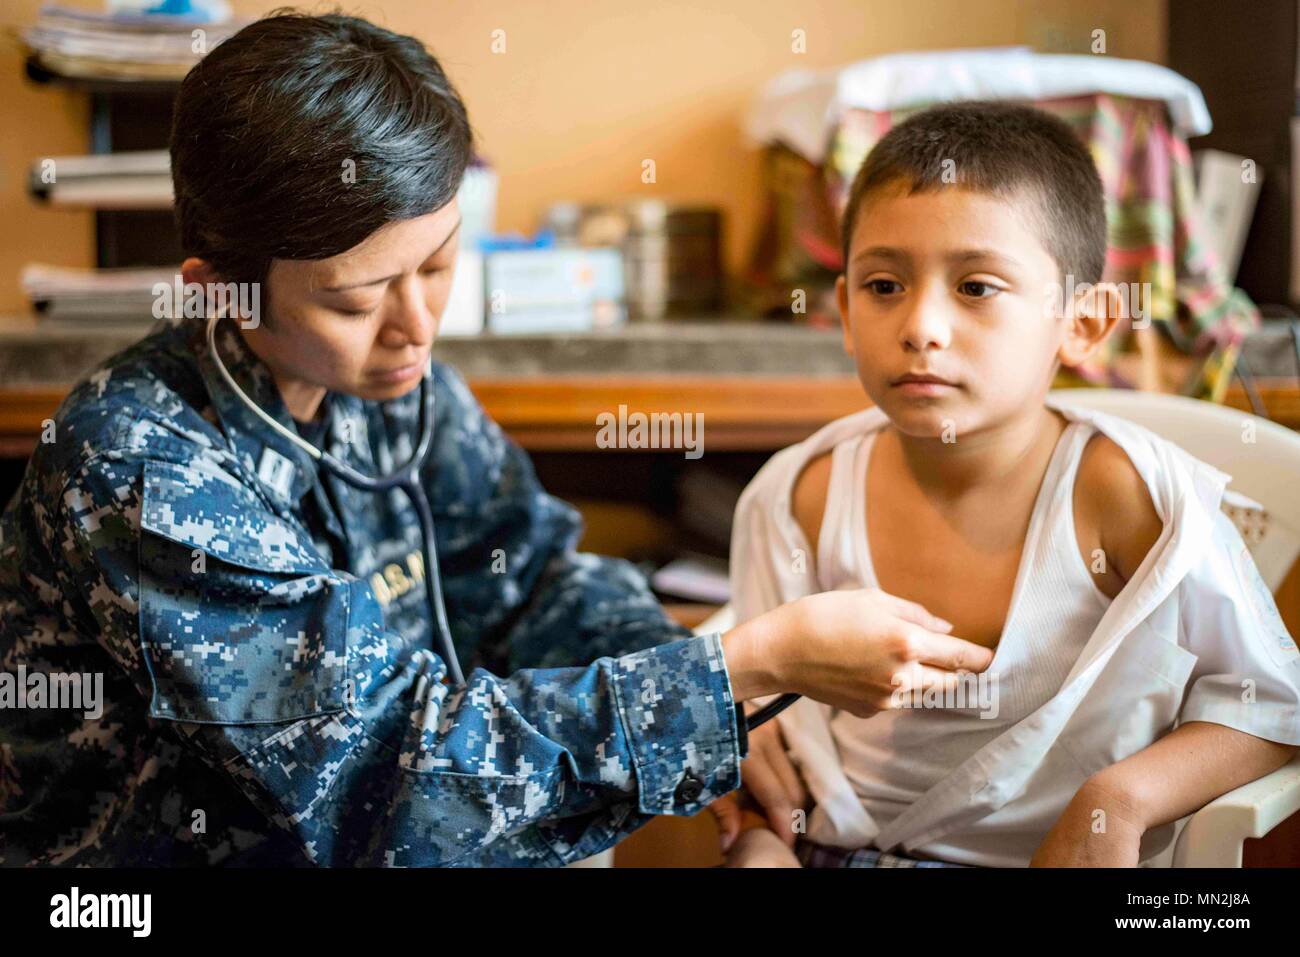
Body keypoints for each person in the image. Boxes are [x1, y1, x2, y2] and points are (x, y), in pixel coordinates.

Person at [0, 12, 994, 867]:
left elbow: (531, 579)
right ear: (221, 287)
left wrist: (708, 709)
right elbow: (391, 786)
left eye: (435, 265)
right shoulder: (135, 469)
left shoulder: (388, 383)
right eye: (355, 296)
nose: (416, 328)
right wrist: (742, 668)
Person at [709, 102, 1300, 868]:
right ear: (845, 313)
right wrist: (759, 838)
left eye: (977, 287)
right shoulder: (799, 494)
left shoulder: (1123, 494)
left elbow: (1271, 703)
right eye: (884, 284)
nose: (921, 324)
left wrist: (1114, 802)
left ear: (1081, 323)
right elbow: (770, 719)